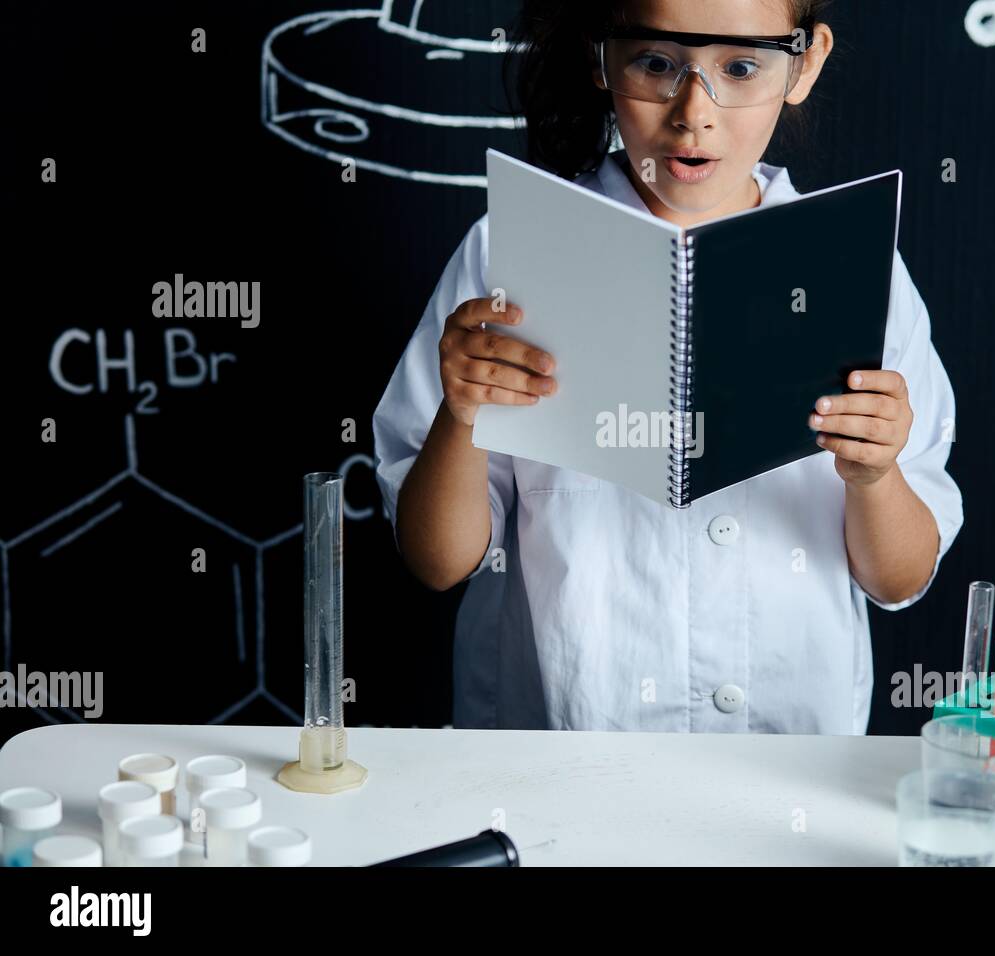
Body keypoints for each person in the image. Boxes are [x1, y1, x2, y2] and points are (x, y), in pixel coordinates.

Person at [373, 0, 962, 734]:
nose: (694, 113)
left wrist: (876, 476)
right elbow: (438, 559)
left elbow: (900, 576)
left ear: (804, 62)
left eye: (740, 67)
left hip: (793, 758)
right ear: (600, 58)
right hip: (559, 751)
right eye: (656, 63)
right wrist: (460, 416)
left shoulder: (860, 271)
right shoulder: (508, 254)